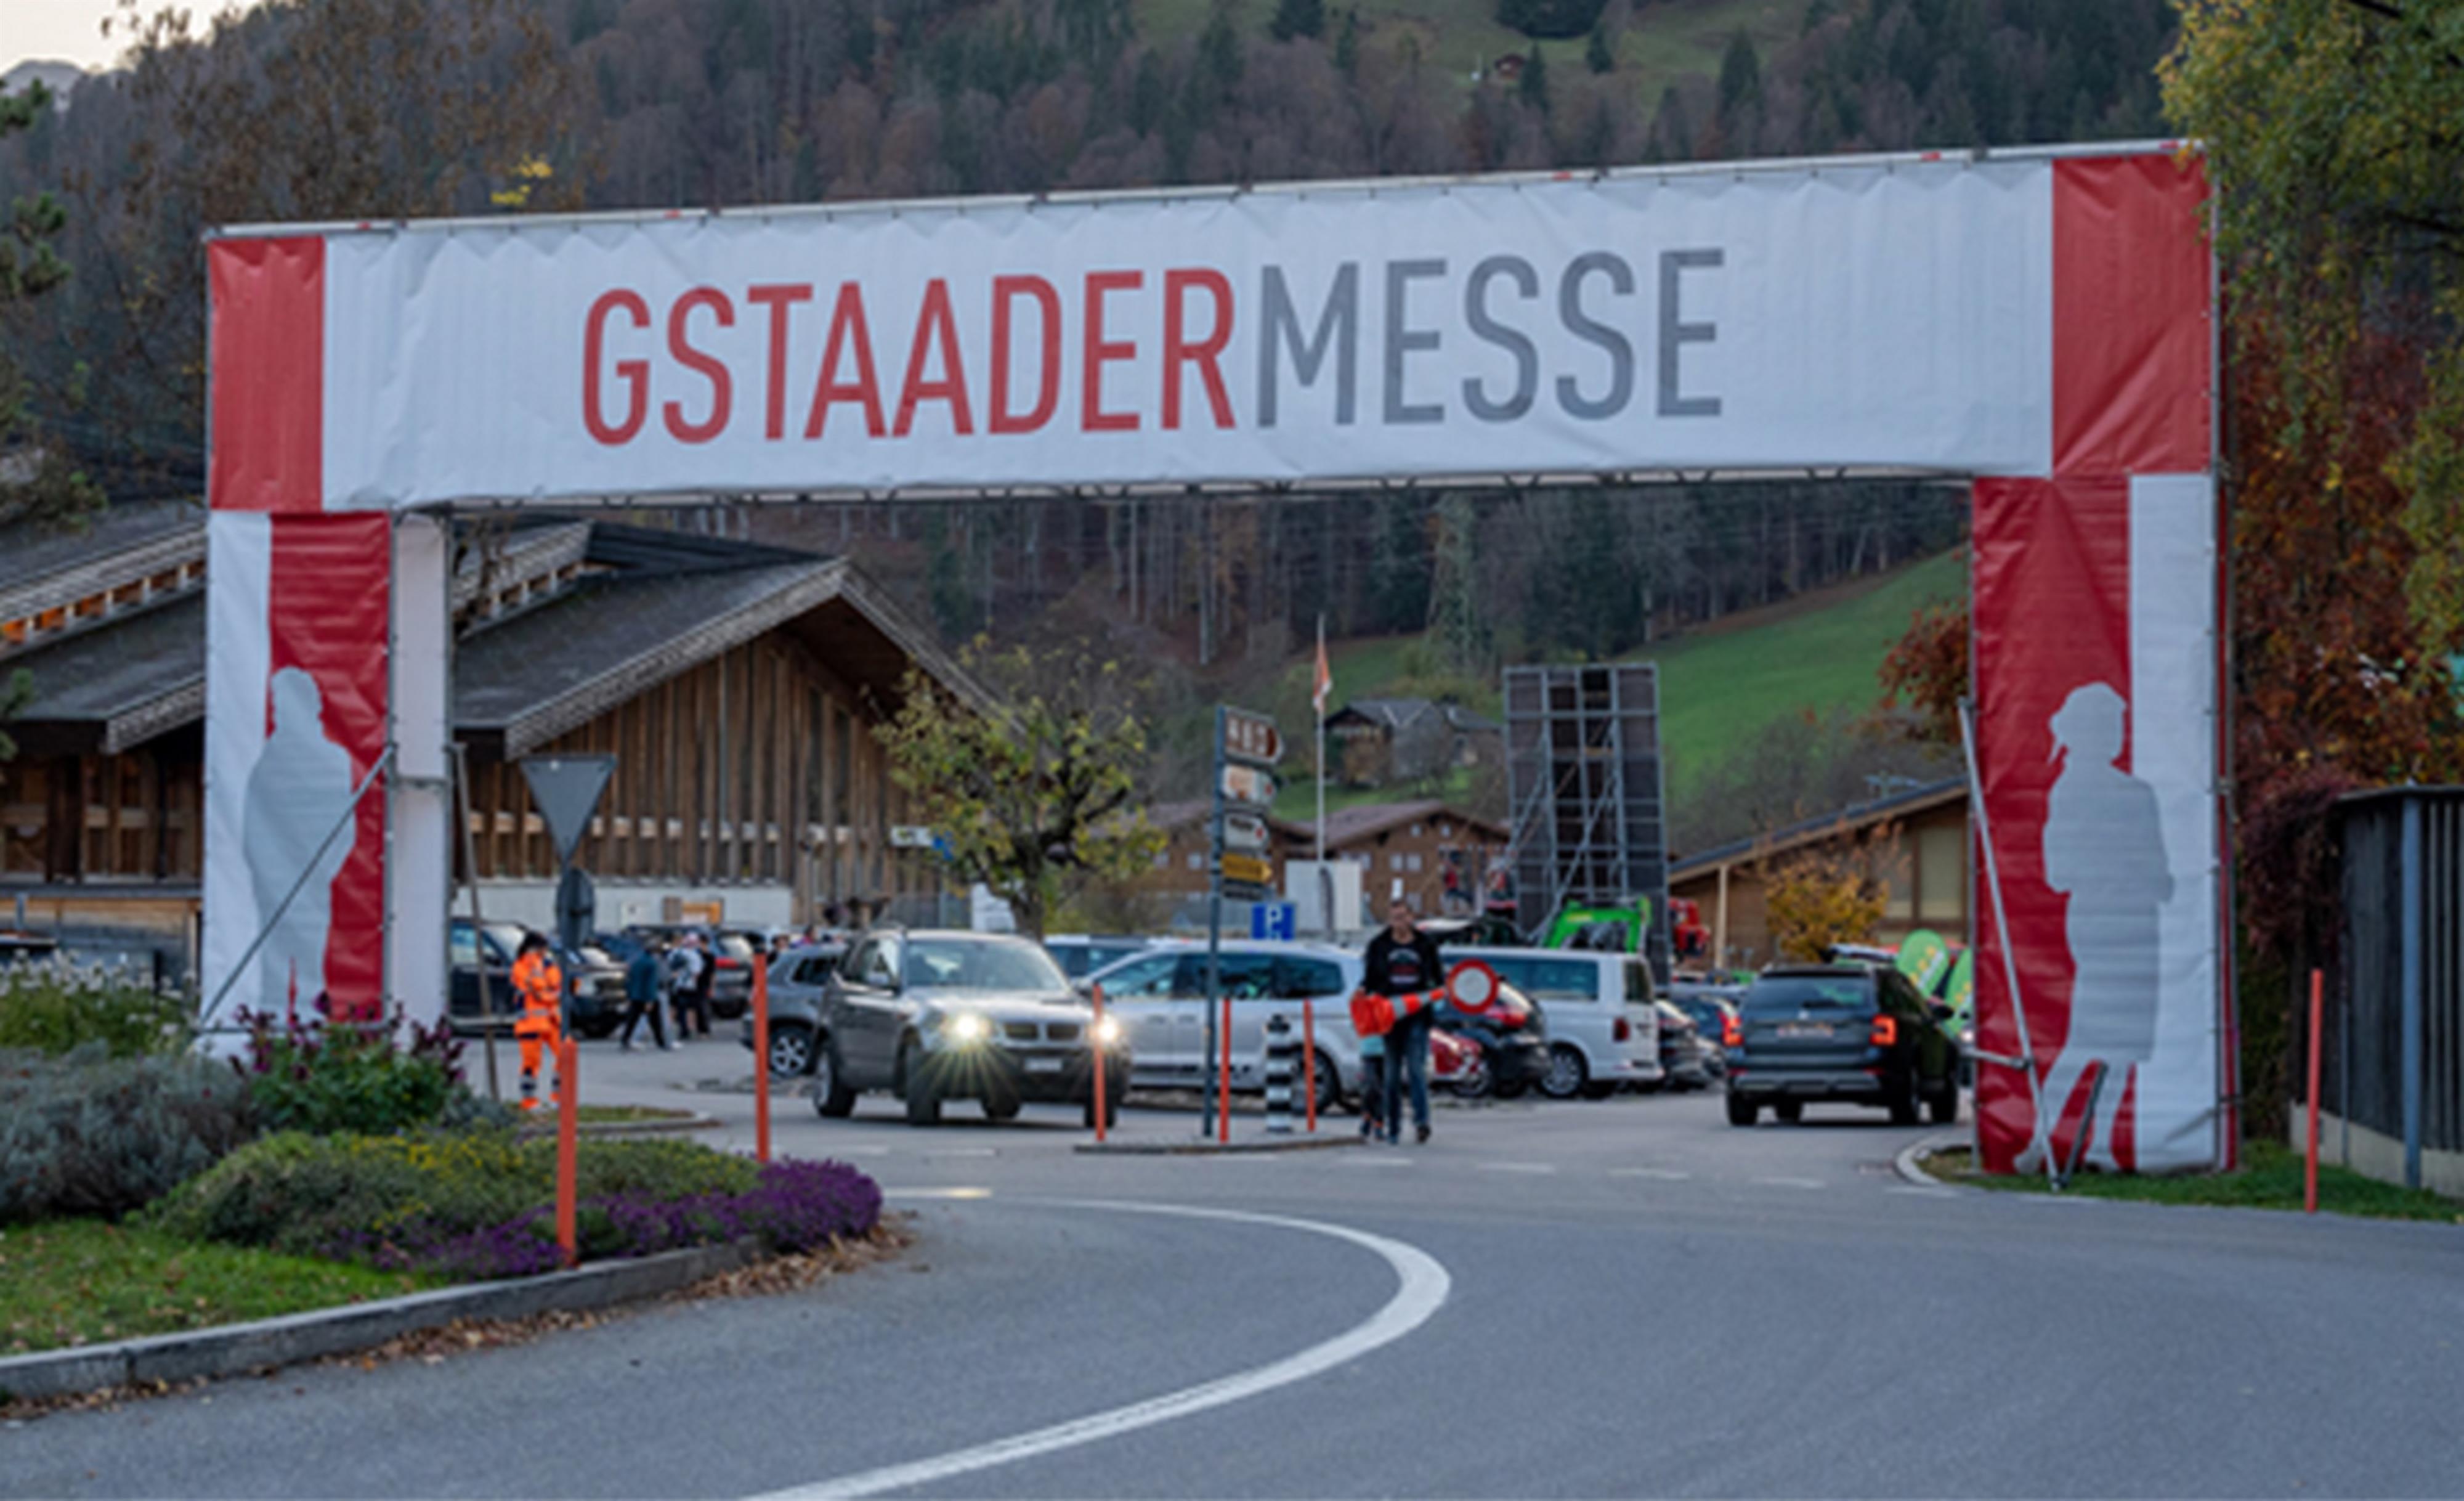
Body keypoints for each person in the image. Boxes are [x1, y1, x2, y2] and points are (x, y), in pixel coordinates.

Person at [1363, 897, 1445, 1144]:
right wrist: (1368, 998)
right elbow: (1370, 980)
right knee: (1391, 1075)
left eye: (1402, 917)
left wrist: (1434, 996)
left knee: (1417, 1070)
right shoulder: (1379, 945)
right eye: (1393, 918)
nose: (1398, 923)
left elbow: (1437, 978)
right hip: (1389, 1017)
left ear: (1411, 918)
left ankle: (1421, 1122)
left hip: (1417, 1015)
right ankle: (1393, 1126)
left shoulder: (1425, 945)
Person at [510, 932, 564, 1110]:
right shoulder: (521, 966)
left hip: (552, 1020)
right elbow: (537, 987)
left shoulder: (549, 965)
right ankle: (529, 1100)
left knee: (564, 1056)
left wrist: (549, 993)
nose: (545, 952)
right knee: (531, 1063)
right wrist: (535, 965)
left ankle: (558, 1097)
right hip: (530, 1023)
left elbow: (557, 987)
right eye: (542, 948)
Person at [618, 934, 670, 1052]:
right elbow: (651, 983)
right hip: (647, 996)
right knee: (656, 1021)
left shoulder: (637, 962)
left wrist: (629, 995)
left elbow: (630, 980)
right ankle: (661, 1042)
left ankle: (625, 1040)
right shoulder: (652, 964)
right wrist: (650, 1000)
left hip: (636, 995)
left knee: (632, 1020)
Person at [668, 933, 708, 1041]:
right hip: (690, 985)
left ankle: (683, 1030)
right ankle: (692, 1029)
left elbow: (669, 967)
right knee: (692, 1008)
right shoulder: (695, 956)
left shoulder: (675, 953)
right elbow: (697, 973)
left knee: (679, 1008)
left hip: (677, 985)